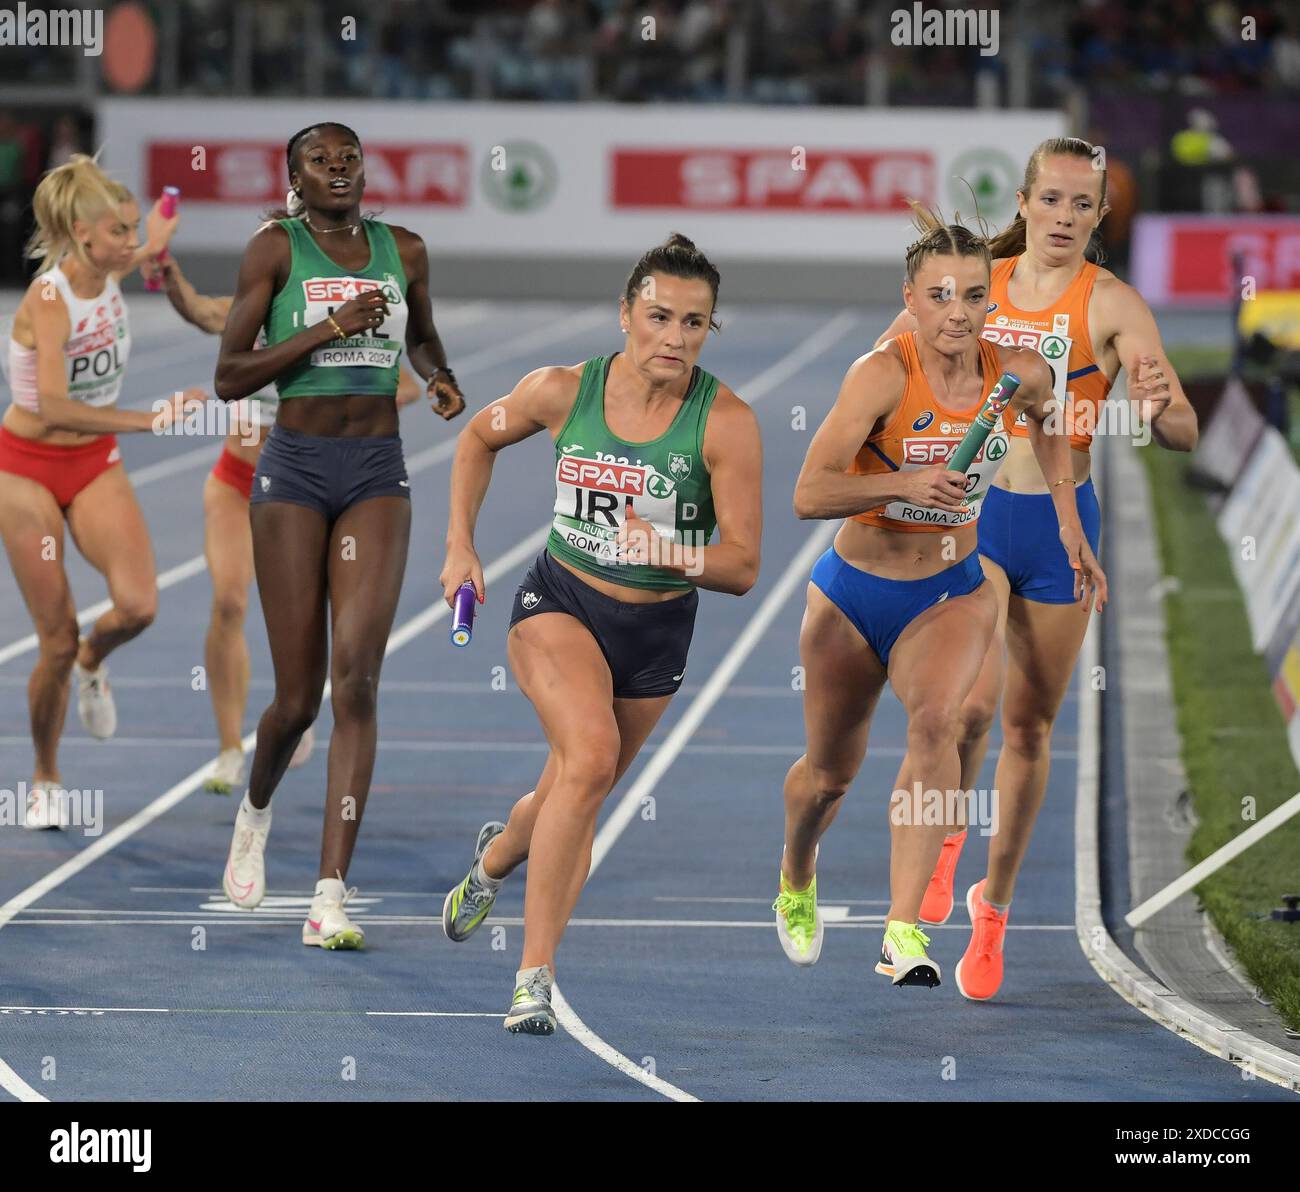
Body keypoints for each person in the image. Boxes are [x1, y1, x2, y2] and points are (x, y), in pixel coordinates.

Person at [875, 138, 1195, 999]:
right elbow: (893, 358)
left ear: (1100, 215)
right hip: (975, 522)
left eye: (1079, 204)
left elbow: (1182, 431)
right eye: (1049, 200)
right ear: (1025, 201)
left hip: (1059, 527)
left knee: (1026, 727)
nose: (1062, 217)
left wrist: (1160, 406)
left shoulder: (1114, 304)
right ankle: (942, 849)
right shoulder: (980, 284)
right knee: (967, 708)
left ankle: (994, 907)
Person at [439, 233, 762, 1035]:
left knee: (567, 797)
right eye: (659, 317)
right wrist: (460, 546)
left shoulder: (725, 422)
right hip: (560, 604)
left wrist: (671, 551)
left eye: (695, 324)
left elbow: (744, 565)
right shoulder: (559, 391)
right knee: (587, 761)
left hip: (655, 637)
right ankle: (533, 979)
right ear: (625, 315)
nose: (675, 339)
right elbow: (478, 437)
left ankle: (495, 858)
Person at [775, 210, 1106, 988]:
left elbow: (1050, 427)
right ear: (912, 300)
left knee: (940, 724)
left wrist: (1068, 523)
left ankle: (901, 929)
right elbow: (808, 492)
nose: (956, 311)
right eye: (938, 296)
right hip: (855, 595)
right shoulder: (880, 375)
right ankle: (796, 873)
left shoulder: (1017, 373)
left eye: (971, 295)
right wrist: (903, 482)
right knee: (829, 777)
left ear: (990, 299)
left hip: (952, 589)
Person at [213, 122, 466, 949]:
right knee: (297, 697)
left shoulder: (406, 249)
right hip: (293, 473)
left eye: (348, 157)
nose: (337, 168)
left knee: (356, 683)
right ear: (294, 176)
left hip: (374, 475)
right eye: (319, 160)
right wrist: (329, 328)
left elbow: (422, 334)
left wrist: (439, 377)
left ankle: (329, 896)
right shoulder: (273, 251)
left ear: (365, 170)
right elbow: (229, 376)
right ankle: (254, 813)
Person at [150, 252, 426, 795]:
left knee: (318, 612)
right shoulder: (248, 311)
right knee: (229, 601)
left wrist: (345, 395)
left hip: (308, 490)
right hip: (237, 483)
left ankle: (299, 710)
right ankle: (231, 748)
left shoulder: (336, 322)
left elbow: (409, 386)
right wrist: (168, 272)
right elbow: (200, 312)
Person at [0, 154, 193, 829]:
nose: (133, 244)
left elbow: (157, 241)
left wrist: (166, 213)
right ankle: (46, 777)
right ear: (85, 238)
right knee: (52, 638)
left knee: (138, 607)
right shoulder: (48, 299)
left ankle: (93, 660)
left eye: (133, 227)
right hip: (25, 468)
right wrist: (147, 418)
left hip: (94, 464)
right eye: (122, 232)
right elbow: (52, 405)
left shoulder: (113, 261)